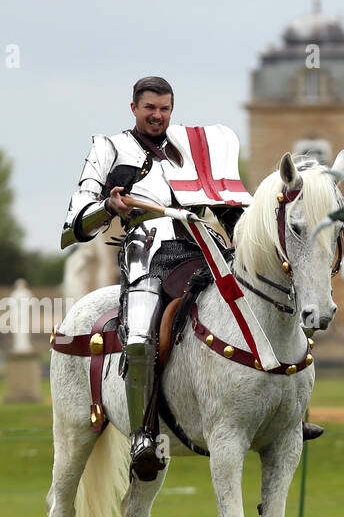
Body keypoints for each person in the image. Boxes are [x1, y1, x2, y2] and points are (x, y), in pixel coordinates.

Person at [62, 76, 252, 479]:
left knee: (261, 305)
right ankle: (143, 436)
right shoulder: (109, 148)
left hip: (202, 252)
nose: (157, 115)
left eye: (164, 108)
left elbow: (228, 208)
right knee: (138, 339)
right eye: (149, 107)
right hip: (145, 254)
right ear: (134, 108)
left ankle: (287, 415)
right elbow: (73, 224)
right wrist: (108, 207)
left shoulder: (192, 152)